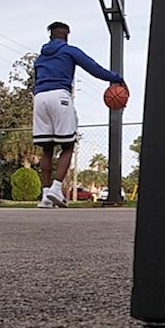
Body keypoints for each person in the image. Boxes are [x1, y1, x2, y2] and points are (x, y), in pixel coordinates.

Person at [33, 21, 125, 208]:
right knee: (68, 145)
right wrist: (116, 78)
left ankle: (45, 196)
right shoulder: (69, 51)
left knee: (47, 148)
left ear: (50, 36)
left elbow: (36, 78)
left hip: (39, 97)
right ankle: (56, 189)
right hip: (60, 96)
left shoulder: (40, 57)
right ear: (66, 35)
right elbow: (93, 68)